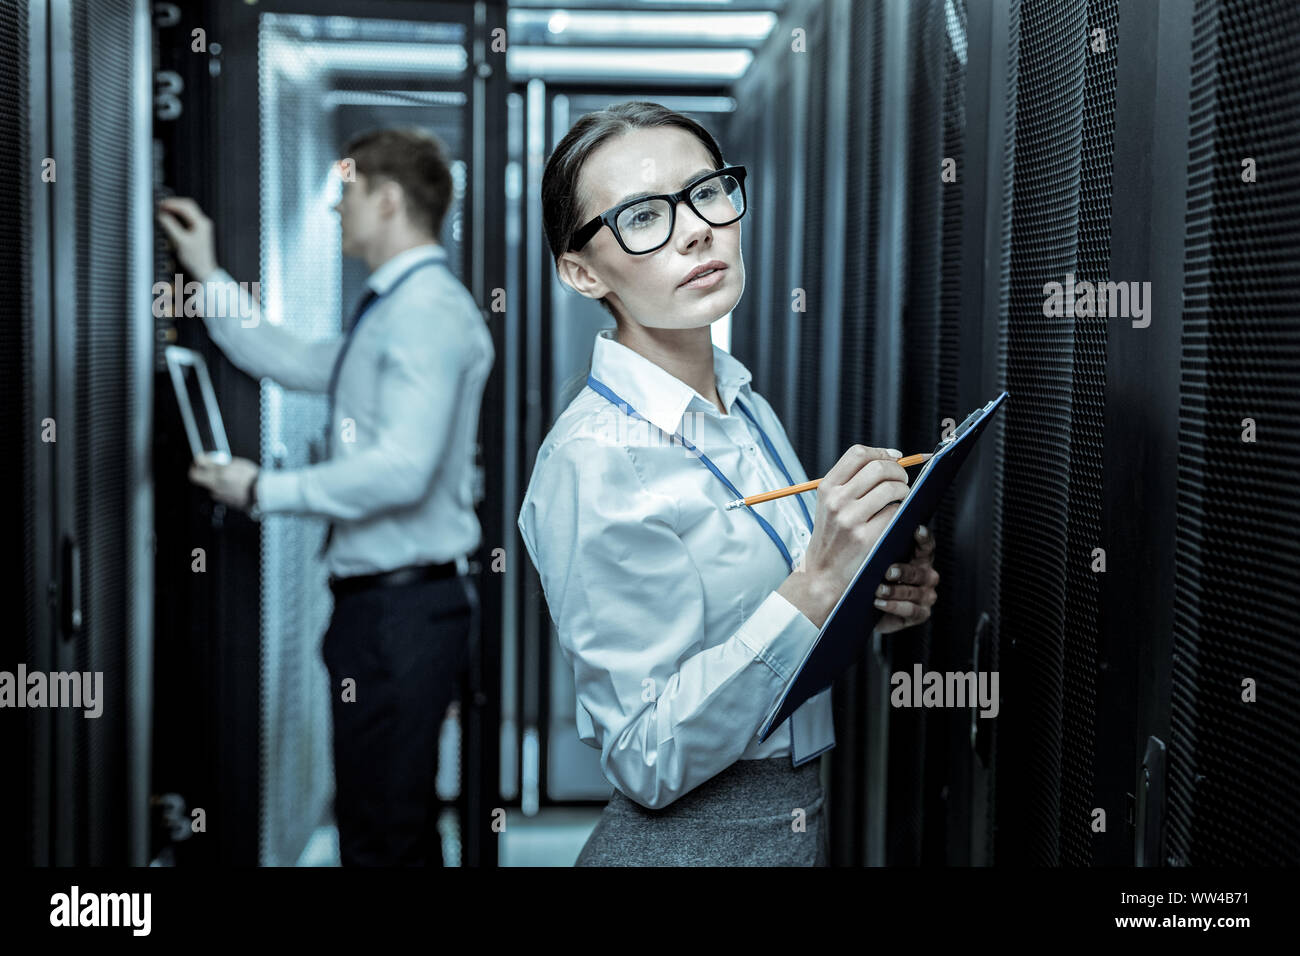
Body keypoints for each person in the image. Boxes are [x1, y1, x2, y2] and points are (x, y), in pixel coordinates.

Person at [517, 101, 939, 866]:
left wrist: (860, 593)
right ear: (582, 272)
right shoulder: (592, 460)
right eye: (643, 217)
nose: (695, 230)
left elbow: (755, 627)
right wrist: (817, 582)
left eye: (706, 192)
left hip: (787, 821)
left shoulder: (740, 401)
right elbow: (645, 757)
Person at [157, 127, 494, 867]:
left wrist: (262, 488)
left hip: (402, 613)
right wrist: (206, 271)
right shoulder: (396, 309)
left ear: (388, 199)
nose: (338, 208)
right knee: (383, 826)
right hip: (387, 611)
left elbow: (401, 469)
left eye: (348, 192)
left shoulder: (426, 313)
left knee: (385, 836)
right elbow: (293, 358)